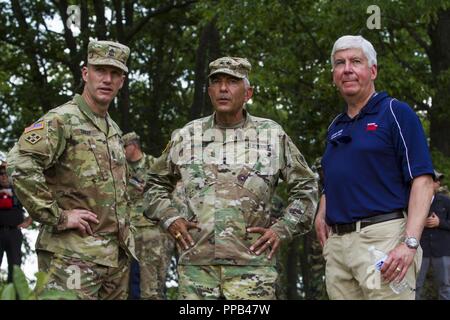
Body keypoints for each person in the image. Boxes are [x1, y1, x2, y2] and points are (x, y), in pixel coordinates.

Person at [145, 56, 318, 300]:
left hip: (252, 270)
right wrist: (170, 218)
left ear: (248, 92)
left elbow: (306, 186)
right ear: (209, 91)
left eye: (232, 82)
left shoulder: (271, 135)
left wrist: (283, 228)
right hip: (197, 269)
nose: (223, 88)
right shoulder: (187, 135)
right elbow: (153, 184)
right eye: (217, 82)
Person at [6, 40, 135, 299]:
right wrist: (59, 216)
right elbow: (19, 164)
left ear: (122, 81)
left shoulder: (113, 130)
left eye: (115, 73)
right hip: (72, 257)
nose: (107, 79)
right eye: (100, 71)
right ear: (86, 74)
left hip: (113, 260)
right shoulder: (62, 120)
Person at [315, 35, 435, 300]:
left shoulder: (395, 112)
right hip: (339, 247)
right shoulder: (336, 126)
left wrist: (410, 243)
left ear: (373, 70)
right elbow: (337, 174)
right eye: (339, 63)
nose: (347, 69)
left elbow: (423, 181)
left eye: (355, 61)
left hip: (383, 241)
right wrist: (322, 209)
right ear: (334, 74)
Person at [122, 132, 175, 300]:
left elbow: (173, 192)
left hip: (154, 233)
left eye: (124, 147)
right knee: (127, 287)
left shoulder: (154, 164)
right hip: (128, 233)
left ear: (134, 146)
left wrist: (150, 189)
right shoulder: (119, 169)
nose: (121, 151)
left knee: (153, 287)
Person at [416, 170, 450, 300]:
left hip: (442, 251)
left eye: (437, 181)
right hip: (420, 250)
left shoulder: (446, 201)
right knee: (416, 286)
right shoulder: (414, 201)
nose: (437, 183)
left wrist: (439, 222)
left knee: (445, 286)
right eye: (434, 180)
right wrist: (419, 222)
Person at [0, 155, 32, 283]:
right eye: (1, 173)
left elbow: (35, 206)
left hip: (14, 233)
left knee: (15, 268)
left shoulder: (19, 191)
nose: (4, 176)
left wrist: (28, 221)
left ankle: (13, 294)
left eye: (6, 173)